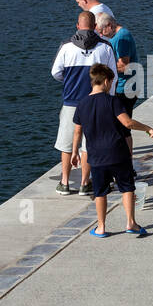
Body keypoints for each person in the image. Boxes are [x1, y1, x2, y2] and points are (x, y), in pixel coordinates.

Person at [71, 63, 153, 237]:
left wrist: (75, 152)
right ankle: (131, 223)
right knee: (127, 188)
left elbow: (77, 131)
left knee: (100, 192)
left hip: (96, 157)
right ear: (105, 81)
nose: (111, 85)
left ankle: (101, 227)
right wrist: (148, 128)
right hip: (118, 153)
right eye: (111, 82)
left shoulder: (82, 104)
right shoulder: (113, 101)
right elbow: (128, 123)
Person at [51, 12, 117, 195]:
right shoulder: (105, 47)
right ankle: (84, 183)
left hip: (71, 101)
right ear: (95, 25)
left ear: (77, 26)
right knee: (89, 144)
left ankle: (64, 182)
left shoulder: (66, 47)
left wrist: (69, 81)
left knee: (66, 144)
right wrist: (108, 99)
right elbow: (114, 77)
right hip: (95, 102)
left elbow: (55, 73)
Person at [95, 14, 140, 152]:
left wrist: (102, 68)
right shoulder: (118, 36)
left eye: (102, 31)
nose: (101, 34)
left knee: (123, 127)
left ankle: (127, 162)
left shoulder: (121, 38)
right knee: (119, 126)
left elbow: (124, 66)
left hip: (125, 88)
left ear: (109, 25)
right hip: (122, 87)